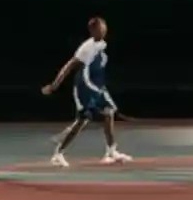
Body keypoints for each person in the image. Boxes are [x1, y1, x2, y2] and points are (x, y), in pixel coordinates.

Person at [41, 16, 132, 166]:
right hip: (84, 89)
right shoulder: (86, 48)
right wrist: (54, 85)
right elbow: (69, 66)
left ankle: (111, 152)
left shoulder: (101, 44)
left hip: (97, 87)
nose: (103, 31)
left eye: (104, 28)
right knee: (82, 121)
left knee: (109, 112)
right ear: (92, 30)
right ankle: (58, 153)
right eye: (100, 29)